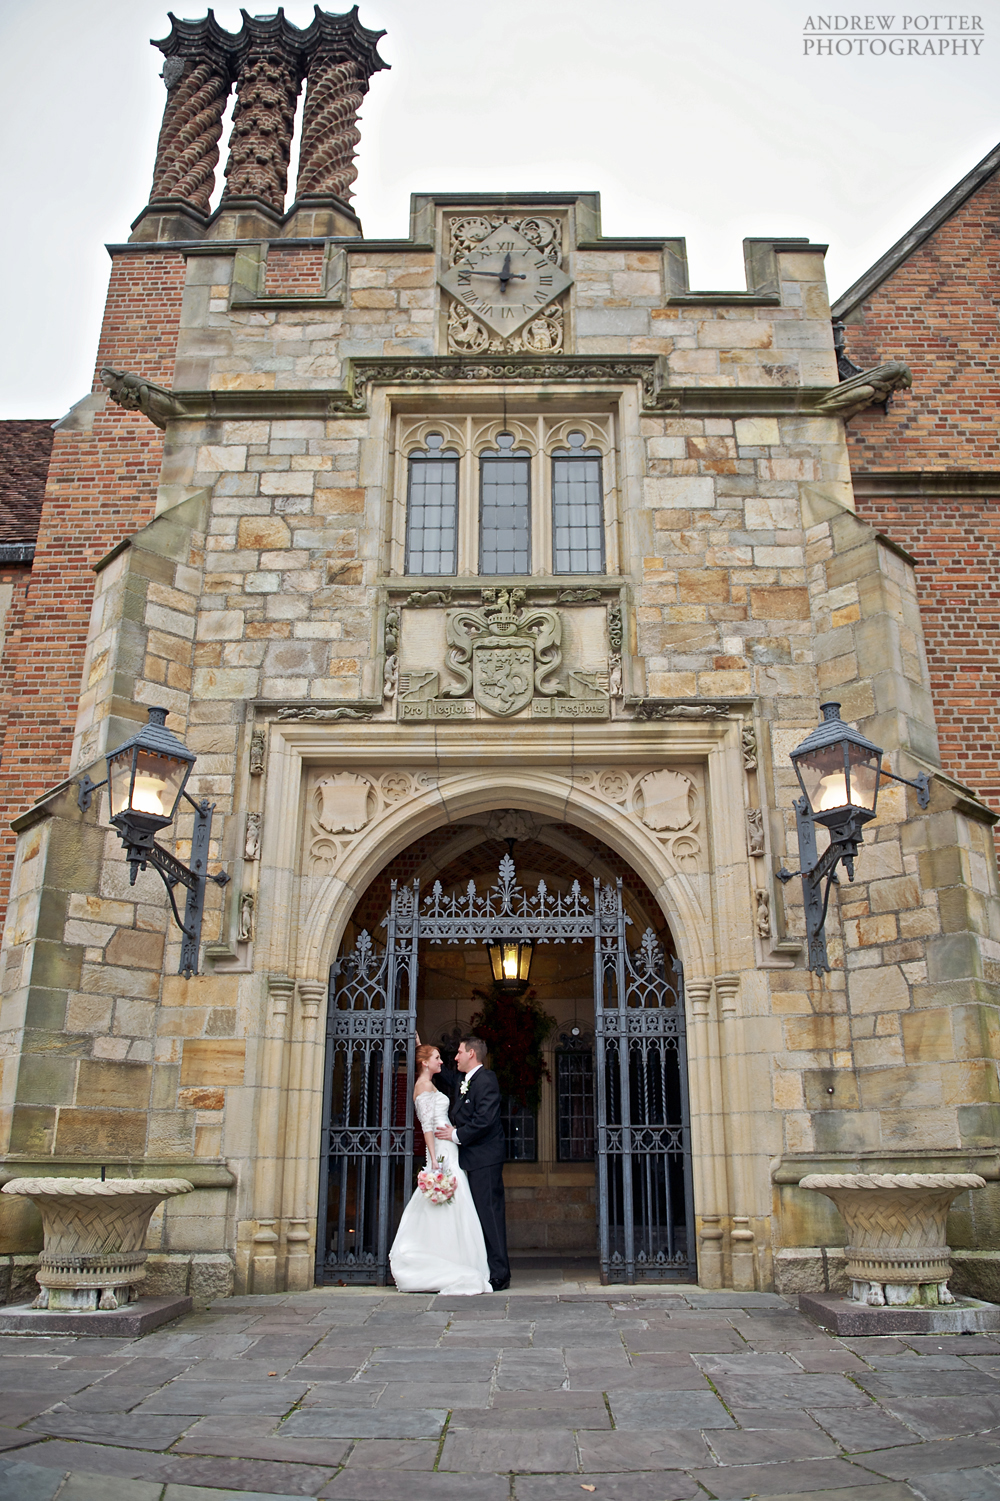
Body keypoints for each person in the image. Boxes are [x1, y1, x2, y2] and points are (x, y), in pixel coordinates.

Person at [388, 1044, 491, 1295]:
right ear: (425, 1063)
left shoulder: (431, 1084)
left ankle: (457, 1258)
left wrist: (419, 1043)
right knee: (450, 1203)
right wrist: (434, 1161)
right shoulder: (422, 1086)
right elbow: (426, 1126)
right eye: (436, 1058)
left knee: (457, 1203)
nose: (443, 1061)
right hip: (442, 1152)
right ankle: (446, 1259)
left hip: (450, 1147)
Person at [433, 1036, 511, 1292]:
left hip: (485, 1159)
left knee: (490, 1213)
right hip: (472, 1159)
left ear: (472, 1055)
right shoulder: (464, 1080)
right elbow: (444, 1075)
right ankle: (485, 1267)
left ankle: (500, 1274)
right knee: (479, 1215)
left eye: (458, 1053)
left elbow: (485, 1120)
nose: (454, 1057)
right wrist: (421, 1050)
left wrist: (454, 1135)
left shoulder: (486, 1080)